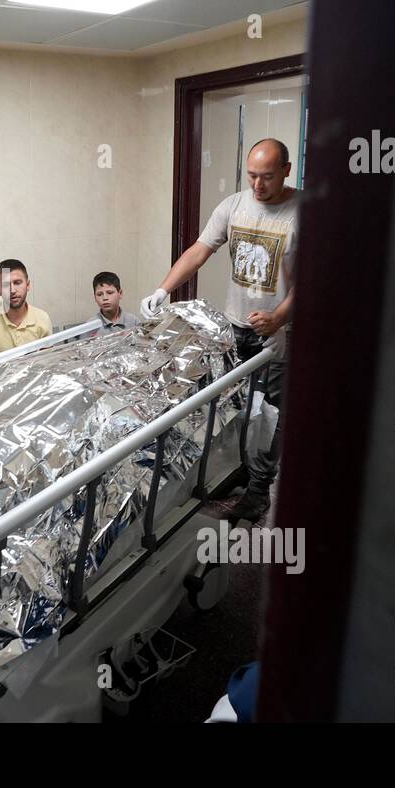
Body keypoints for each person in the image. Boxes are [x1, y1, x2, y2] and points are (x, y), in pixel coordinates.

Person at [140, 138, 299, 521]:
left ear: (286, 171)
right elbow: (199, 249)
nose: (258, 185)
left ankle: (259, 490)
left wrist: (279, 317)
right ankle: (236, 471)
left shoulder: (304, 211)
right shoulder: (235, 205)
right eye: (252, 176)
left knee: (273, 414)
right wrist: (163, 289)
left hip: (280, 333)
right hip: (235, 326)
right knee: (234, 406)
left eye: (267, 177)